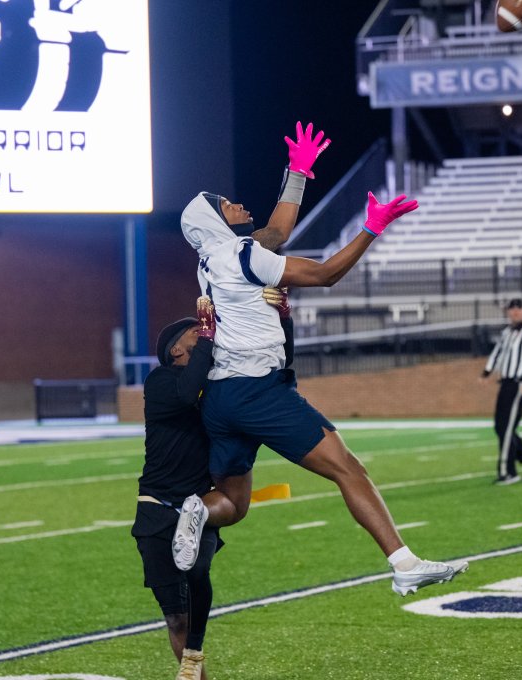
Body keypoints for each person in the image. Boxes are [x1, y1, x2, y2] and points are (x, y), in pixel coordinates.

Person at [173, 122, 467, 597]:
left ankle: (198, 509)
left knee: (233, 502)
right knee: (348, 468)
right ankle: (404, 563)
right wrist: (371, 229)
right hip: (257, 390)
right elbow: (327, 274)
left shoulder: (210, 261)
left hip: (221, 397)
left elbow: (276, 232)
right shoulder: (242, 254)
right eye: (226, 204)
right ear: (211, 221)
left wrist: (298, 174)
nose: (237, 204)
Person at [134, 289, 295, 680]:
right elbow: (188, 394)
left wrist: (283, 320)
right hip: (158, 509)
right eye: (196, 331)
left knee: (198, 576)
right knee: (176, 616)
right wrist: (206, 339)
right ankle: (194, 666)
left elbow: (278, 363)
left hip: (200, 504)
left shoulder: (219, 382)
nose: (206, 331)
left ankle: (193, 655)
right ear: (175, 349)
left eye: (205, 328)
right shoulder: (161, 380)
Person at [479, 298, 522, 485]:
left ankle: (508, 472)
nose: (515, 311)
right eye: (512, 309)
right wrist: (486, 372)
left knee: (506, 427)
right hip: (506, 383)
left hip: (519, 383)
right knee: (501, 427)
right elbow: (497, 353)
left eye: (519, 308)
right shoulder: (506, 332)